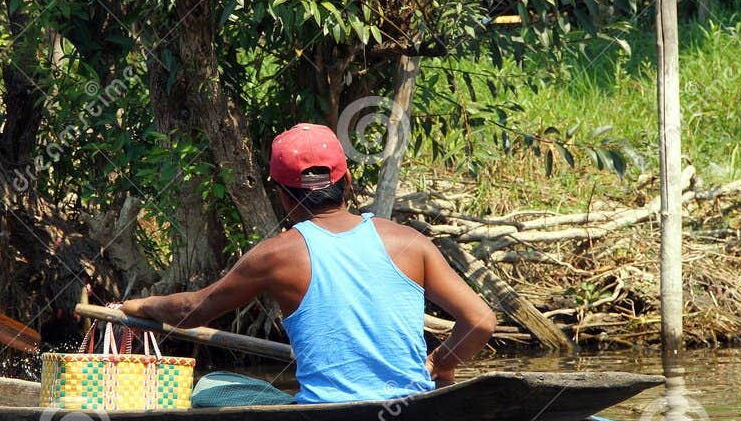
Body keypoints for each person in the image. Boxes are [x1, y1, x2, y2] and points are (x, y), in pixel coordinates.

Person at [118, 123, 498, 406]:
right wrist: (442, 362)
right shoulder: (408, 241)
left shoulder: (276, 255)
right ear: (346, 181)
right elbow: (480, 321)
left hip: (326, 415)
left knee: (209, 386)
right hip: (407, 408)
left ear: (283, 197)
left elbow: (190, 310)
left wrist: (140, 306)